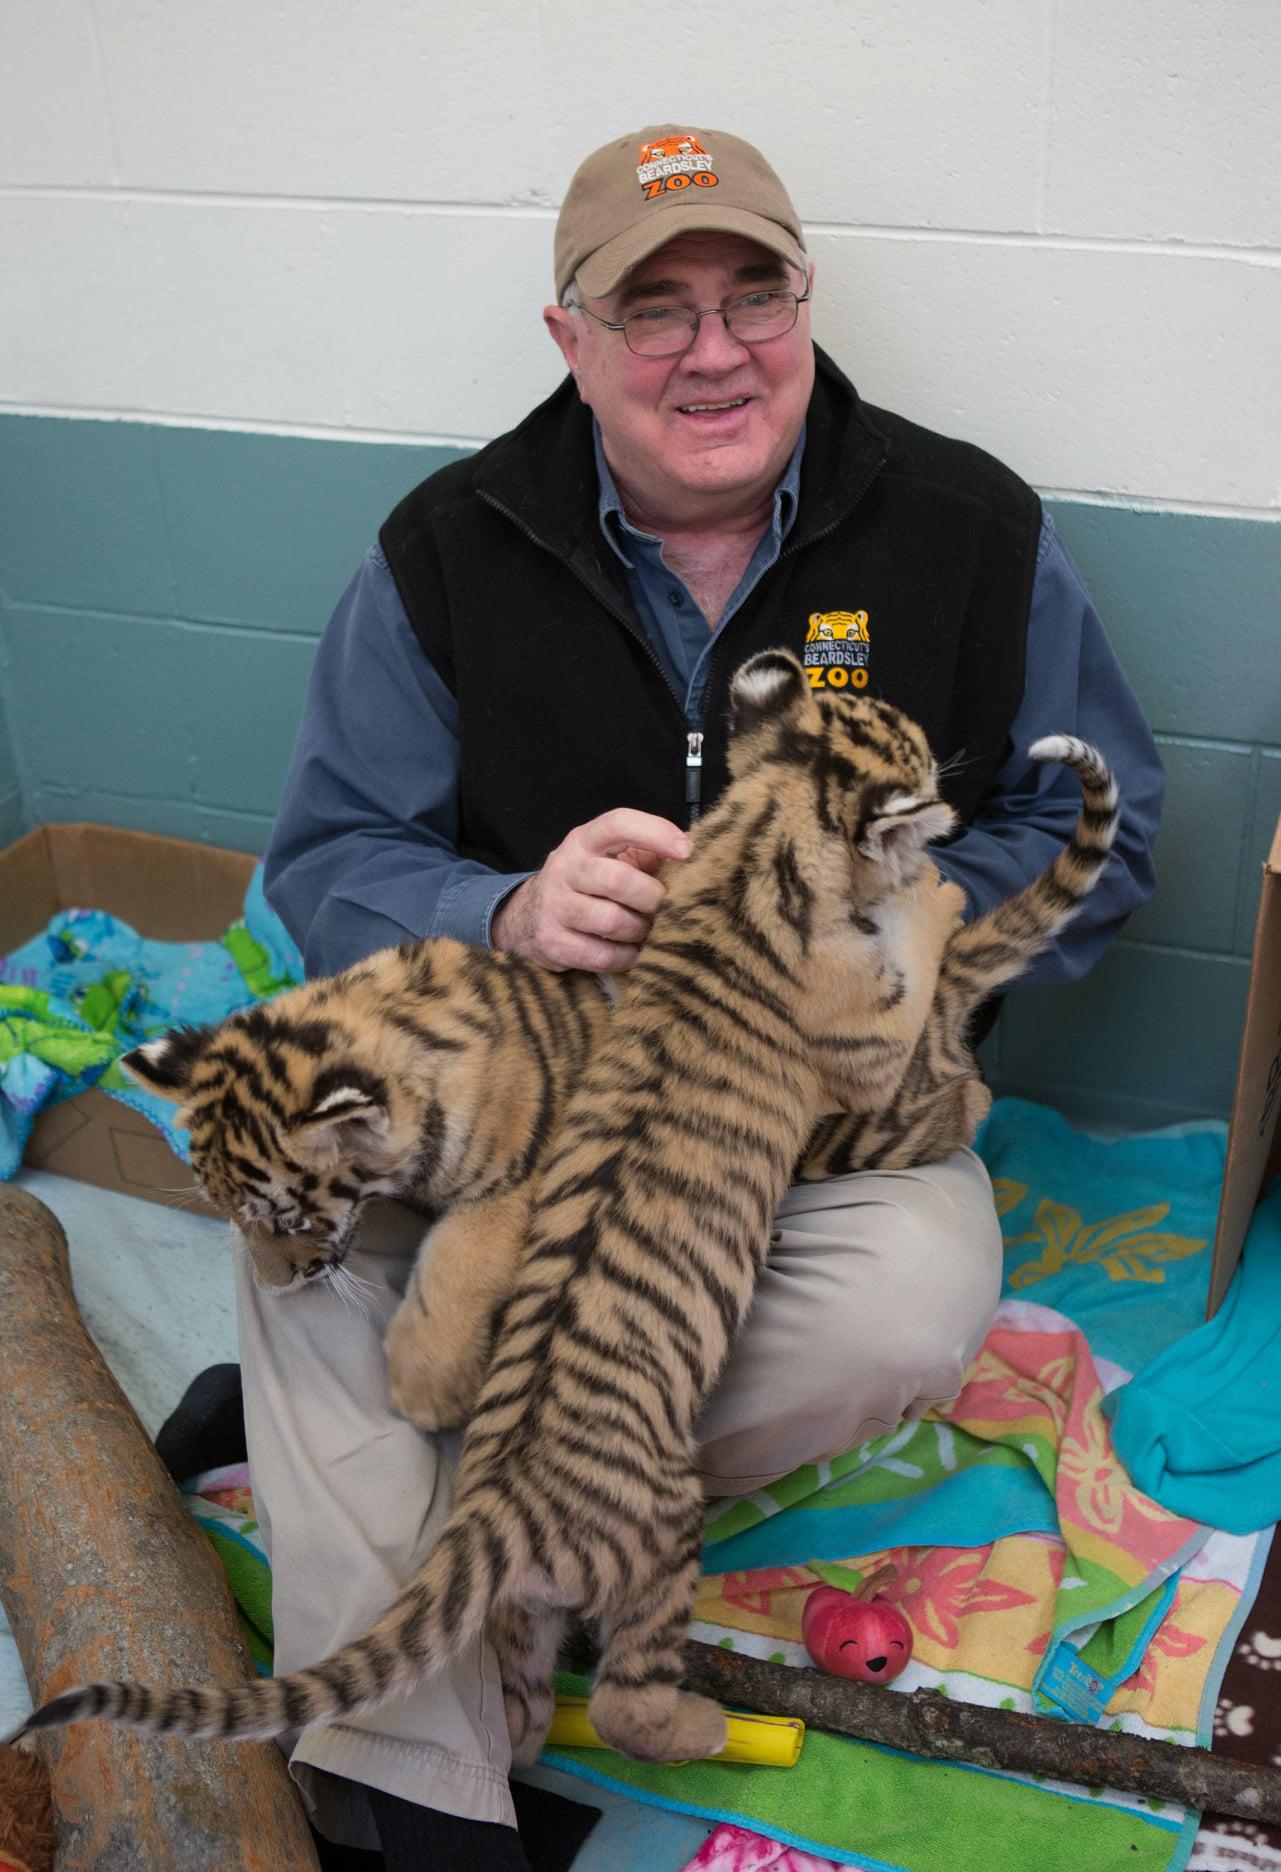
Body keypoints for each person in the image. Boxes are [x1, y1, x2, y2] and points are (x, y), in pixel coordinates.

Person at [250, 126, 1164, 1867]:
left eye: (754, 294)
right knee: (291, 1202)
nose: (714, 348)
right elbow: (327, 856)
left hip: (808, 1136)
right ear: (568, 338)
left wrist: (878, 938)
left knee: (908, 1306)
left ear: (804, 303)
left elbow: (1090, 824)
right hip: (517, 1097)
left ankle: (419, 1531)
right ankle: (422, 1788)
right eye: (649, 309)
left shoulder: (969, 529)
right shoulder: (444, 550)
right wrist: (505, 904)